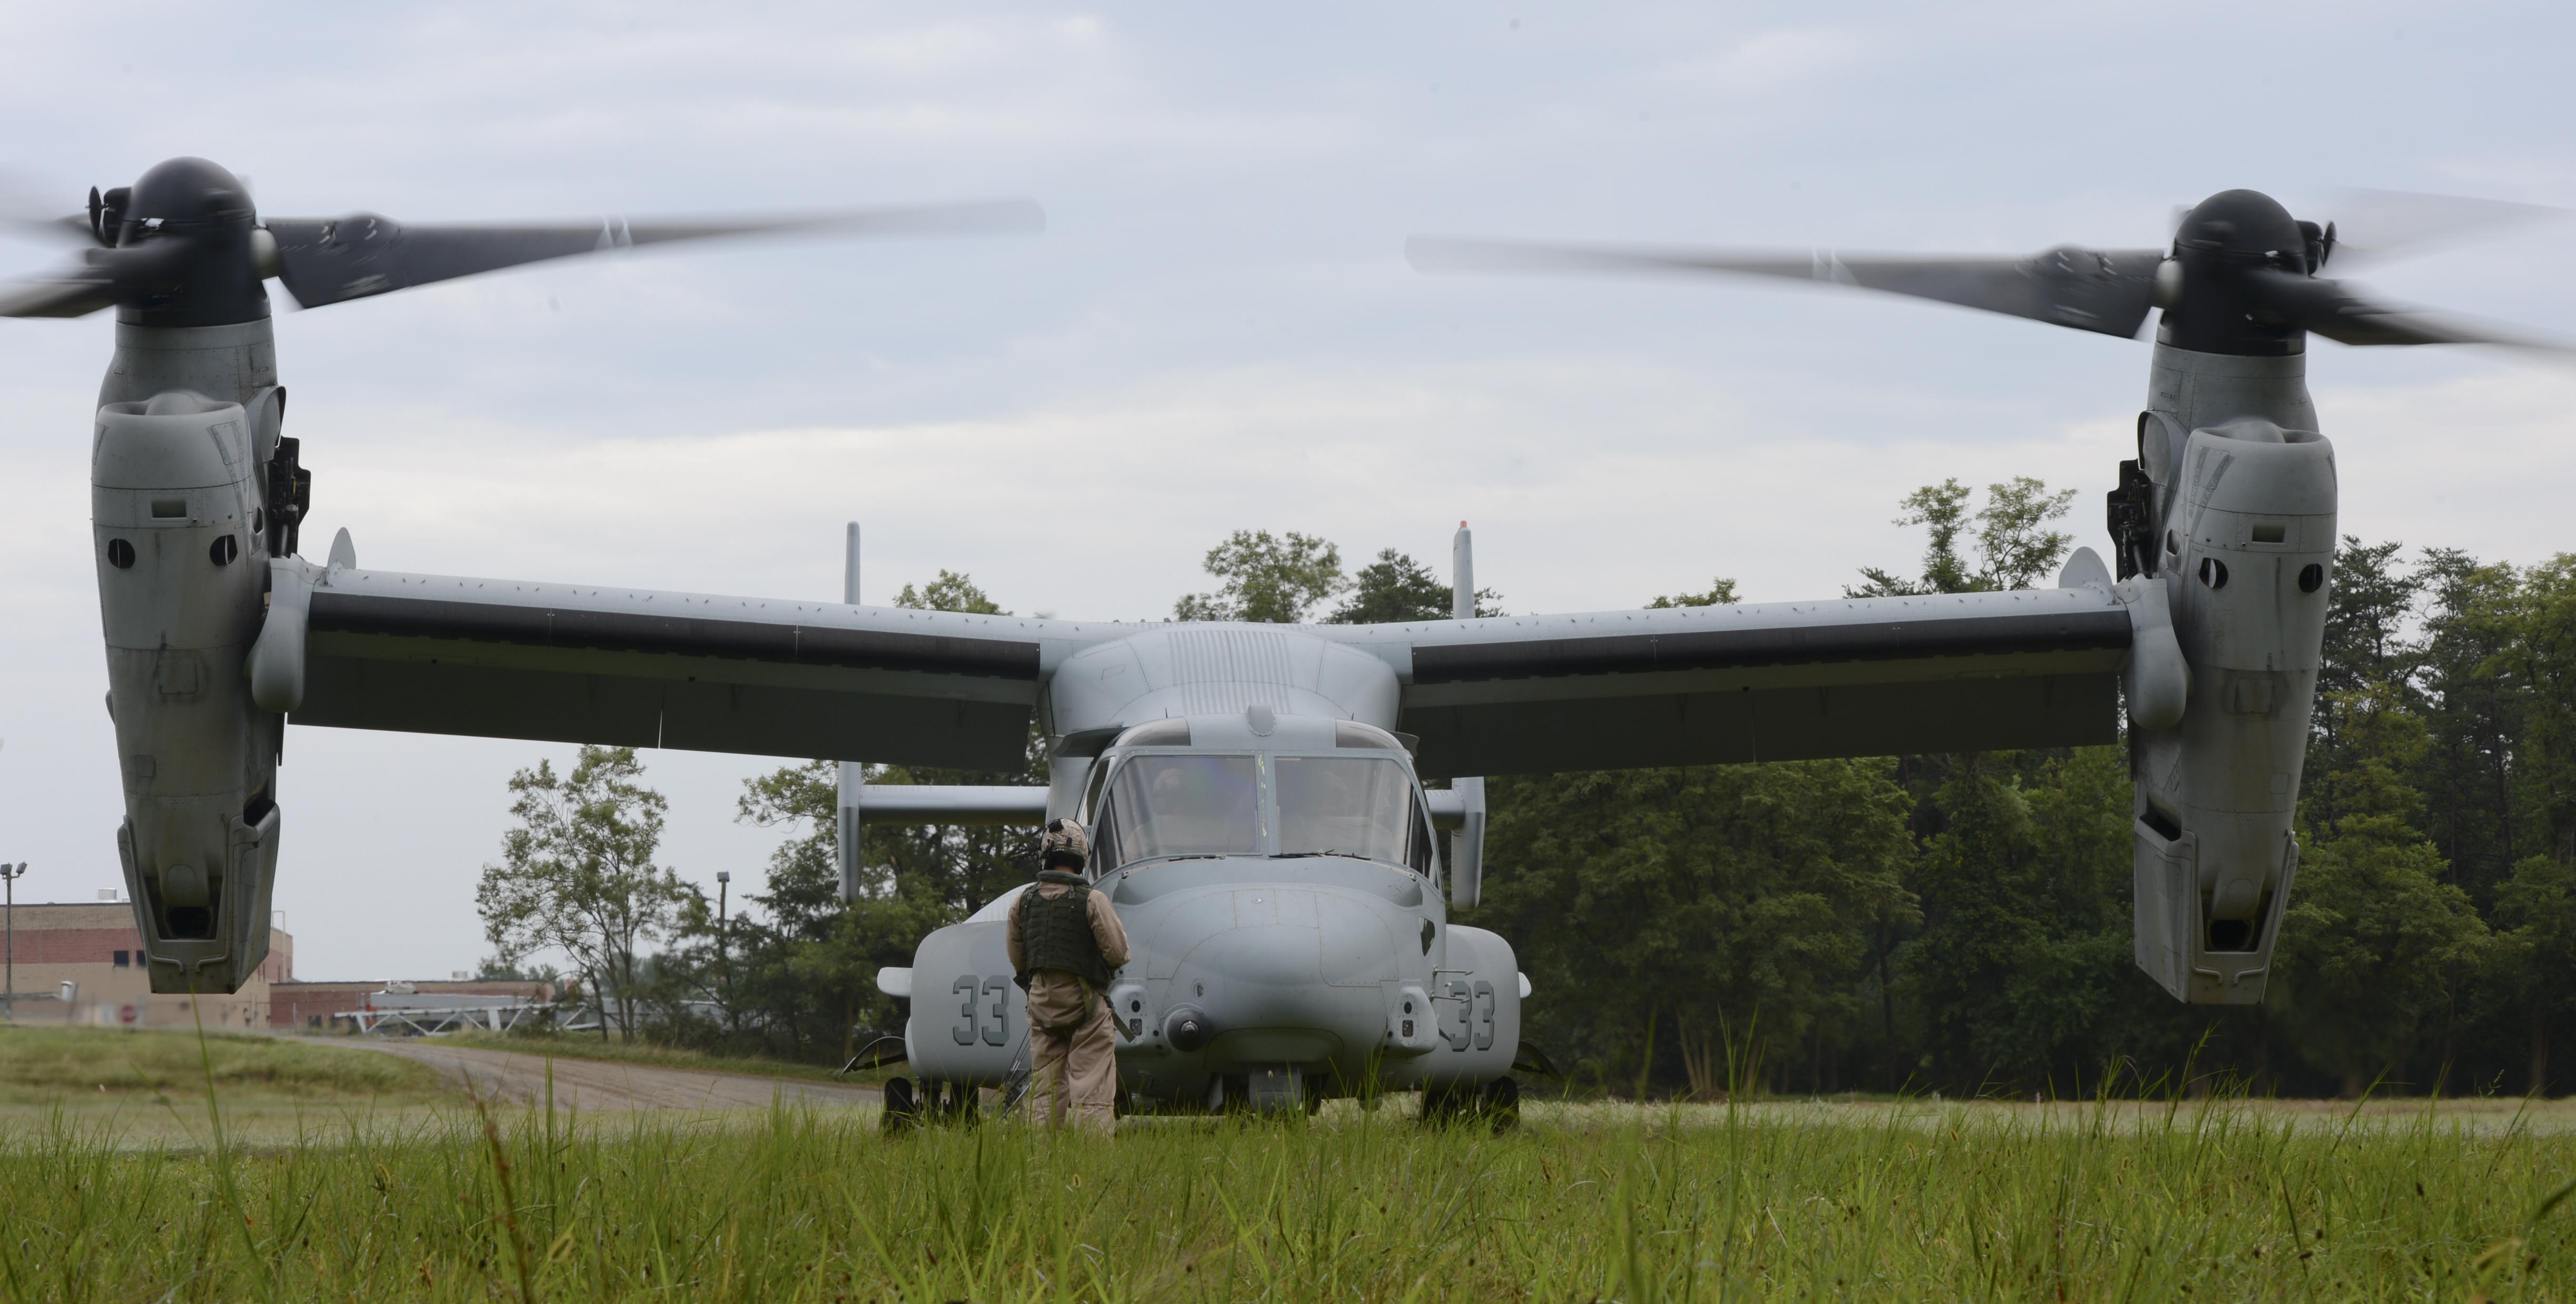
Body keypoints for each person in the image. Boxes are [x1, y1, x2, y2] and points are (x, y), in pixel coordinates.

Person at [1006, 818, 1130, 1134]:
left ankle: (1039, 1159)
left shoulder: (1023, 901)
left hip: (1041, 1004)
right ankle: (1093, 1163)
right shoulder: (1093, 900)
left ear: (1046, 854)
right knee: (1093, 1089)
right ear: (1081, 857)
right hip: (1086, 1005)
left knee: (1045, 1089)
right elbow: (1117, 953)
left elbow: (1018, 958)